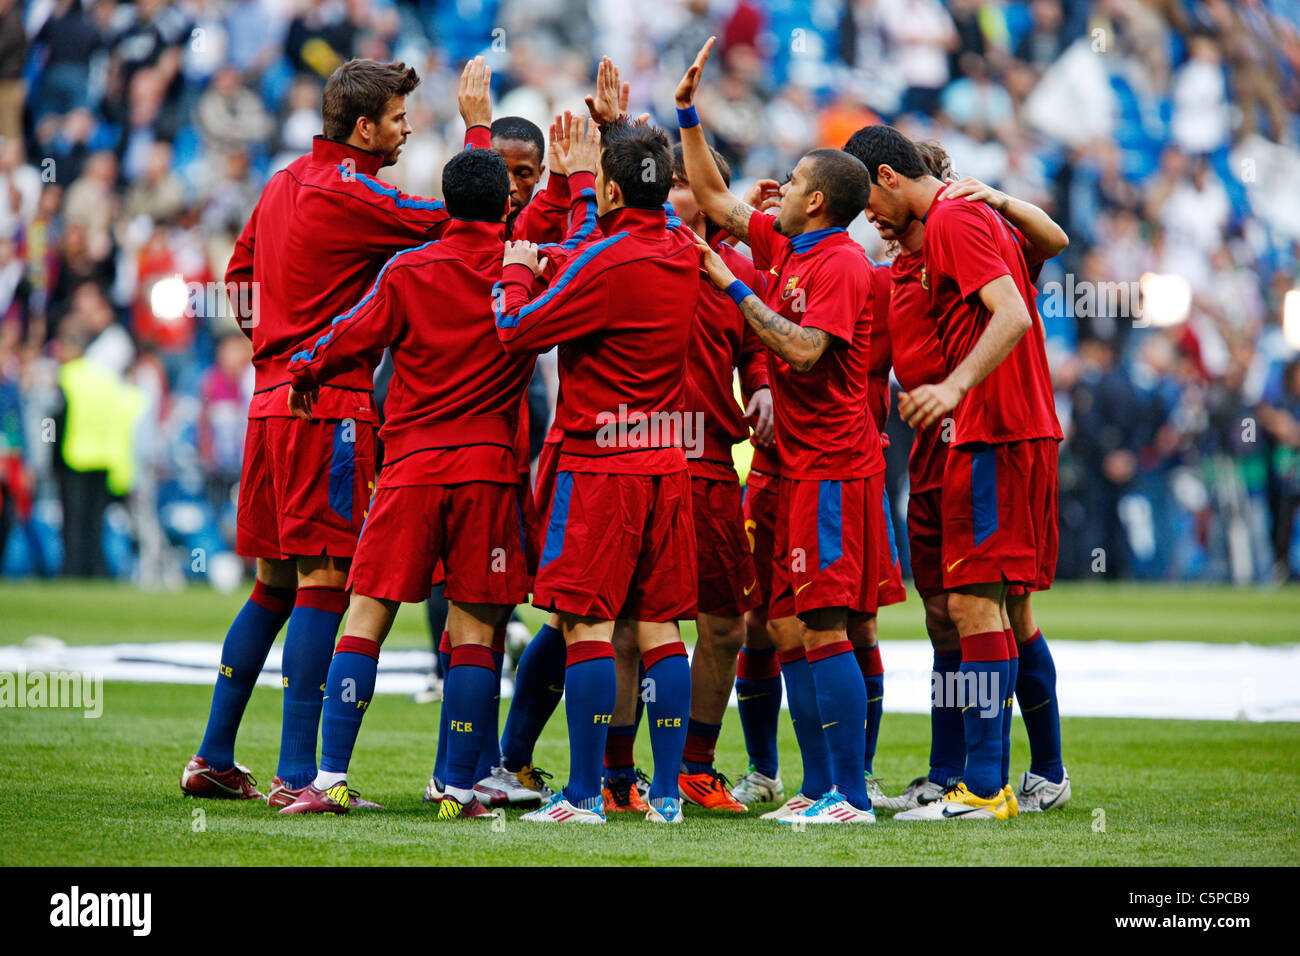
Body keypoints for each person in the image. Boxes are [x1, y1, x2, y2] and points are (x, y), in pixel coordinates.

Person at [179, 56, 494, 804]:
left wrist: (274, 351)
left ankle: (214, 757)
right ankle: (296, 776)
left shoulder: (283, 181)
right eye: (396, 119)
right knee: (325, 584)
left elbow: (240, 275)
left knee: (272, 586)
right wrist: (477, 132)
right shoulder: (355, 194)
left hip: (269, 404)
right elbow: (466, 224)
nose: (407, 128)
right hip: (328, 407)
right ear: (363, 127)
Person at [278, 148, 533, 819]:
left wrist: (305, 372)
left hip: (410, 470)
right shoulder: (528, 271)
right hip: (488, 471)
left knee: (366, 617)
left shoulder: (410, 268)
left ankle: (329, 778)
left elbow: (347, 336)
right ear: (507, 203)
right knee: (477, 628)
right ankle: (456, 788)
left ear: (444, 203)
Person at [678, 37, 884, 824]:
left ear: (818, 202)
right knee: (797, 624)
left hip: (833, 468)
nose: (778, 191)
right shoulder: (792, 247)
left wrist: (731, 287)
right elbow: (716, 198)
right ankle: (822, 784)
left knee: (824, 623)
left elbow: (803, 351)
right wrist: (689, 113)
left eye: (793, 182)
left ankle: (850, 795)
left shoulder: (838, 264)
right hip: (798, 468)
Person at [845, 124, 1063, 821]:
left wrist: (955, 388)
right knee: (956, 612)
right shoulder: (922, 247)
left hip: (991, 431)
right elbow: (1046, 249)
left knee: (987, 607)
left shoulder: (957, 220)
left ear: (888, 177)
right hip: (961, 440)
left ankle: (991, 784)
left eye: (870, 203)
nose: (870, 221)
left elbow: (1015, 313)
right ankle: (962, 777)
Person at [494, 112, 699, 825]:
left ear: (610, 191)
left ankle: (583, 796)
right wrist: (607, 154)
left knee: (585, 627)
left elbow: (517, 330)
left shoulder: (604, 259)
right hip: (666, 462)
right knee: (660, 628)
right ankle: (666, 795)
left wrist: (519, 275)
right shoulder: (681, 244)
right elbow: (607, 232)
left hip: (598, 466)